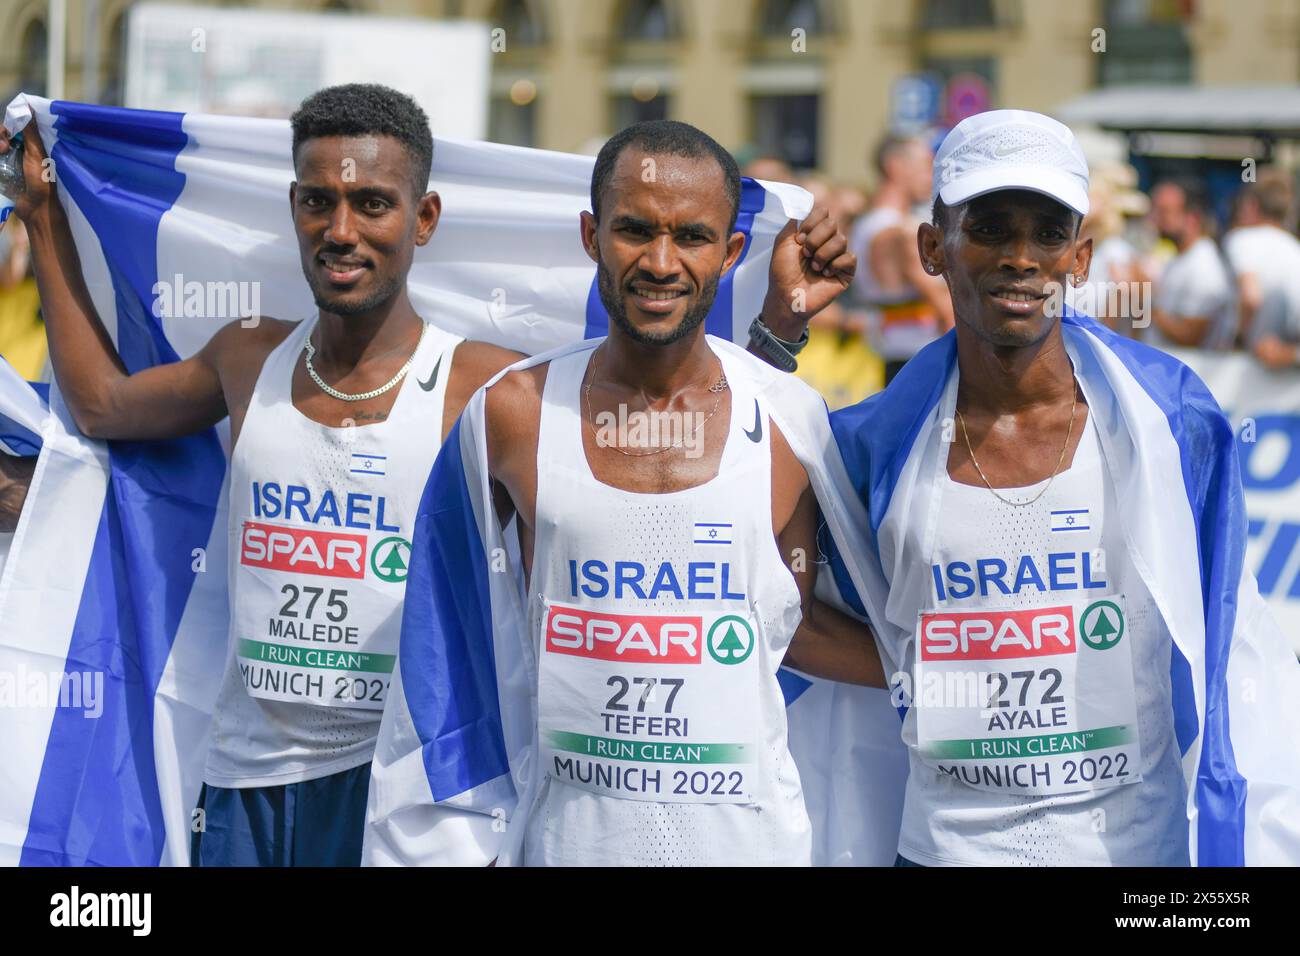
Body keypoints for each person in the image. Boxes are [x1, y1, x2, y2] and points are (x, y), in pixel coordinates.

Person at [2, 86, 854, 866]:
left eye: (372, 203)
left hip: (397, 786)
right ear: (293, 210)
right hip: (246, 780)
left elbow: (666, 417)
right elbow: (107, 408)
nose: (343, 231)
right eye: (319, 203)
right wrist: (41, 218)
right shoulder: (249, 356)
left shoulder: (489, 389)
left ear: (424, 219)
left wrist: (775, 337)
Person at [365, 119, 881, 866]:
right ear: (591, 236)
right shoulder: (513, 414)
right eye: (634, 230)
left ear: (731, 252)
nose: (661, 261)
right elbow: (448, 638)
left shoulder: (788, 421)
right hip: (567, 845)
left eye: (693, 238)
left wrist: (950, 675)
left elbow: (788, 622)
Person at [830, 109, 1294, 866]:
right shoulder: (873, 444)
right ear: (933, 247)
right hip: (941, 849)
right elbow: (769, 602)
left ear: (1081, 256)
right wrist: (775, 339)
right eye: (988, 228)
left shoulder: (1168, 424)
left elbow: (1231, 634)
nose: (1020, 258)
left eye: (1048, 234)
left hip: (1134, 859)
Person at [849, 135, 953, 383]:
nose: (932, 176)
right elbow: (946, 310)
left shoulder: (864, 226)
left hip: (886, 357)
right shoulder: (902, 233)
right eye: (927, 165)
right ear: (895, 166)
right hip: (919, 362)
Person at [1221, 170, 1300, 368]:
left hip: (1255, 365)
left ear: (1252, 205)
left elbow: (1251, 297)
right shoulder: (1295, 248)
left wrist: (1238, 341)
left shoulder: (1242, 239)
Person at [1146, 178, 1236, 350]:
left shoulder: (1204, 267)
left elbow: (1189, 336)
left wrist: (1143, 302)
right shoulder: (1178, 258)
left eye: (1164, 212)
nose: (1154, 220)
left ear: (1192, 218)